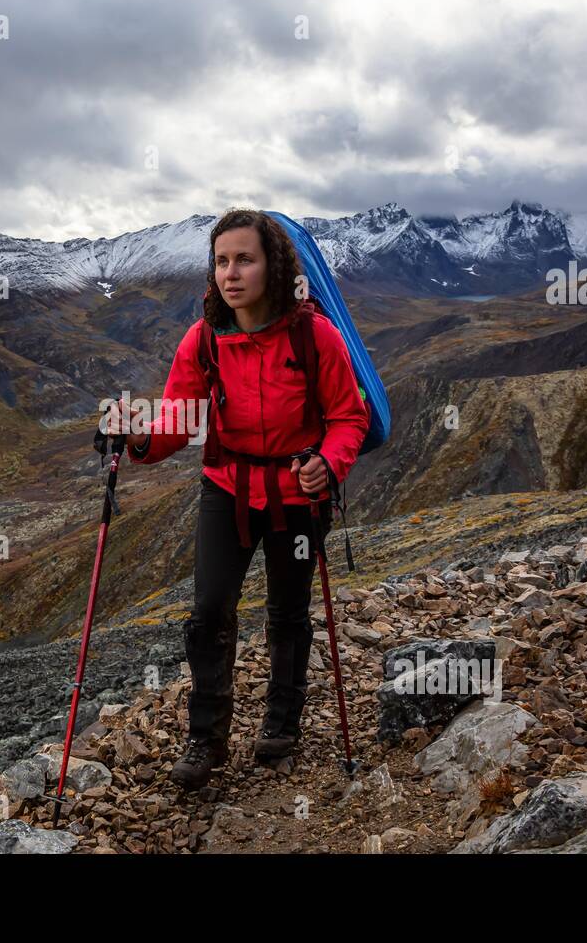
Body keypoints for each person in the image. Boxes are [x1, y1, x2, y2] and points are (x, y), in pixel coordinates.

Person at [101, 208, 370, 790]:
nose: (231, 272)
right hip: (227, 489)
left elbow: (350, 414)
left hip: (298, 494)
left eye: (244, 259)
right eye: (222, 261)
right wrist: (141, 435)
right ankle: (207, 738)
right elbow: (180, 415)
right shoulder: (204, 340)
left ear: (273, 265)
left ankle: (282, 724)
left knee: (288, 613)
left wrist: (330, 462)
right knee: (208, 614)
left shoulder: (313, 333)